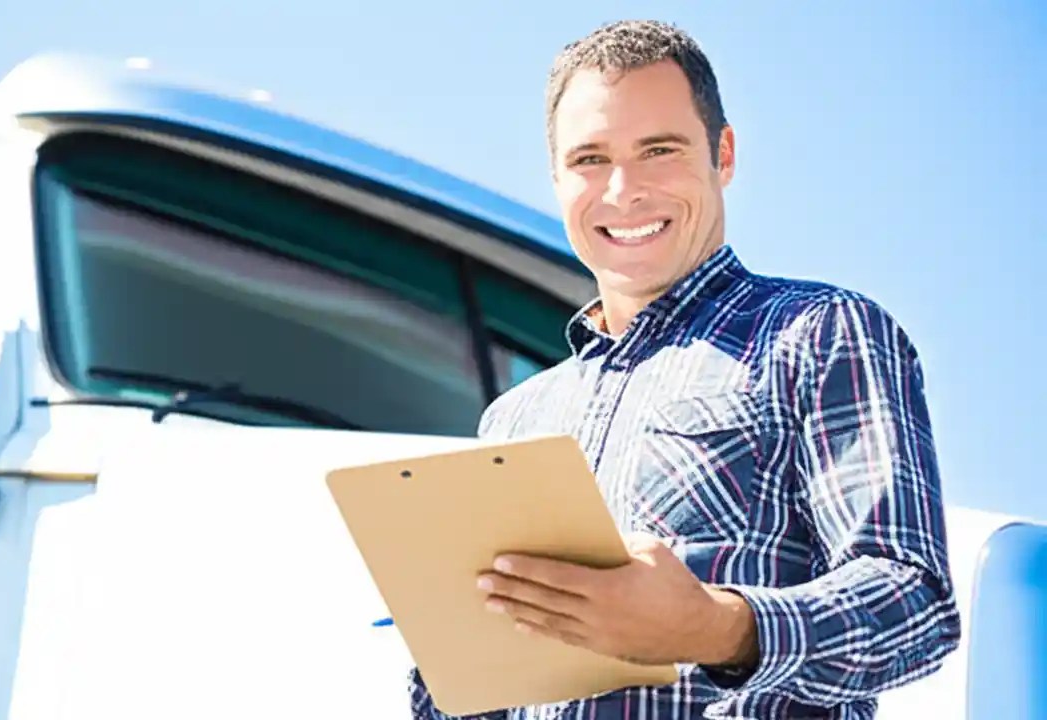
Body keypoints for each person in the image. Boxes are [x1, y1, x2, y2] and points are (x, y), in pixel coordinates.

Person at [408, 18, 960, 720]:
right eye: (589, 159)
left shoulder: (820, 334)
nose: (622, 190)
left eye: (659, 150)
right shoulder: (515, 417)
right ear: (554, 176)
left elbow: (913, 604)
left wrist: (714, 625)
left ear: (722, 155)